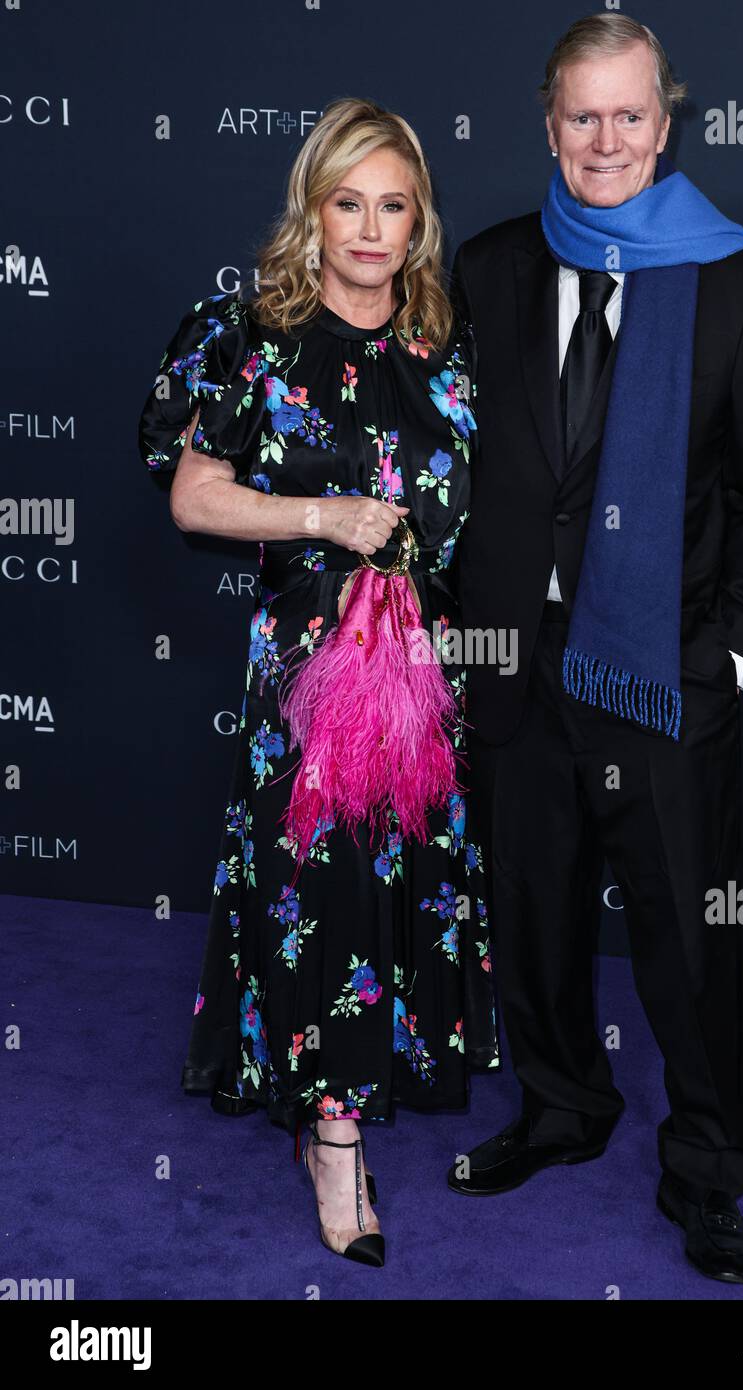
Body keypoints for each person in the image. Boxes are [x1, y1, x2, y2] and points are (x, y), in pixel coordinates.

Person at [447, 13, 743, 1285]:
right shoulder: (480, 273)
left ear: (668, 120)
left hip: (662, 669)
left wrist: (735, 658)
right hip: (514, 664)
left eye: (630, 115)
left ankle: (707, 1168)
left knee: (692, 943)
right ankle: (560, 1105)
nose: (606, 140)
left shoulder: (740, 287)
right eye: (581, 116)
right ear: (549, 126)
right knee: (530, 911)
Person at [137, 97, 499, 1268]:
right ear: (314, 204)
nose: (370, 228)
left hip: (422, 662)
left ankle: (350, 1085)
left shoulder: (449, 336)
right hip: (306, 664)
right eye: (349, 202)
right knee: (318, 883)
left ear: (418, 220)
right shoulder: (251, 332)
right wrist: (324, 517)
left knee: (399, 871)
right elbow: (195, 496)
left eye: (393, 206)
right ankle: (334, 1143)